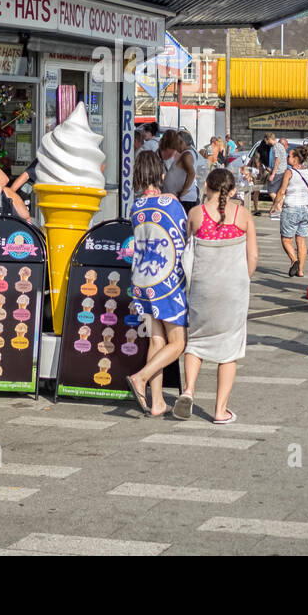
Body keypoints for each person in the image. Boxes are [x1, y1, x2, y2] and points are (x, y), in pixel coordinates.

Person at [177, 167, 258, 424]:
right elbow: (252, 257)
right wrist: (244, 278)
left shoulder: (195, 214)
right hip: (233, 289)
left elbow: (187, 250)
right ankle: (220, 410)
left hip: (203, 288)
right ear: (233, 190)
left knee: (196, 341)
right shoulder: (243, 215)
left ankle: (188, 390)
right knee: (229, 349)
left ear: (207, 187)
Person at [126, 151, 188, 416]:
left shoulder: (136, 207)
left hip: (141, 281)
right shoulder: (171, 202)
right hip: (167, 283)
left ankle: (157, 402)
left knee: (156, 340)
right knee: (178, 343)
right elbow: (183, 239)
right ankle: (141, 377)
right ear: (161, 175)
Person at [272, 144, 308, 277]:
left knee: (286, 239)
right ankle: (300, 270)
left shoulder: (289, 172)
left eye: (289, 155)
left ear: (295, 159)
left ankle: (294, 260)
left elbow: (281, 191)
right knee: (301, 240)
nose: (287, 157)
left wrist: (274, 206)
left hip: (291, 208)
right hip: (307, 209)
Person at [159, 129, 198, 212]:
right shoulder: (187, 153)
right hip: (181, 198)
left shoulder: (187, 155)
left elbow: (191, 173)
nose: (175, 146)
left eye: (177, 143)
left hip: (184, 200)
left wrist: (184, 192)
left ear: (182, 142)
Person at [266, 135, 288, 218]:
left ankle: (279, 210)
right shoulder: (280, 146)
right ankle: (279, 209)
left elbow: (278, 160)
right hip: (282, 170)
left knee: (271, 191)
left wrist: (273, 173)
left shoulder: (276, 147)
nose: (266, 143)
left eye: (267, 140)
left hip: (278, 171)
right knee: (279, 191)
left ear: (270, 139)